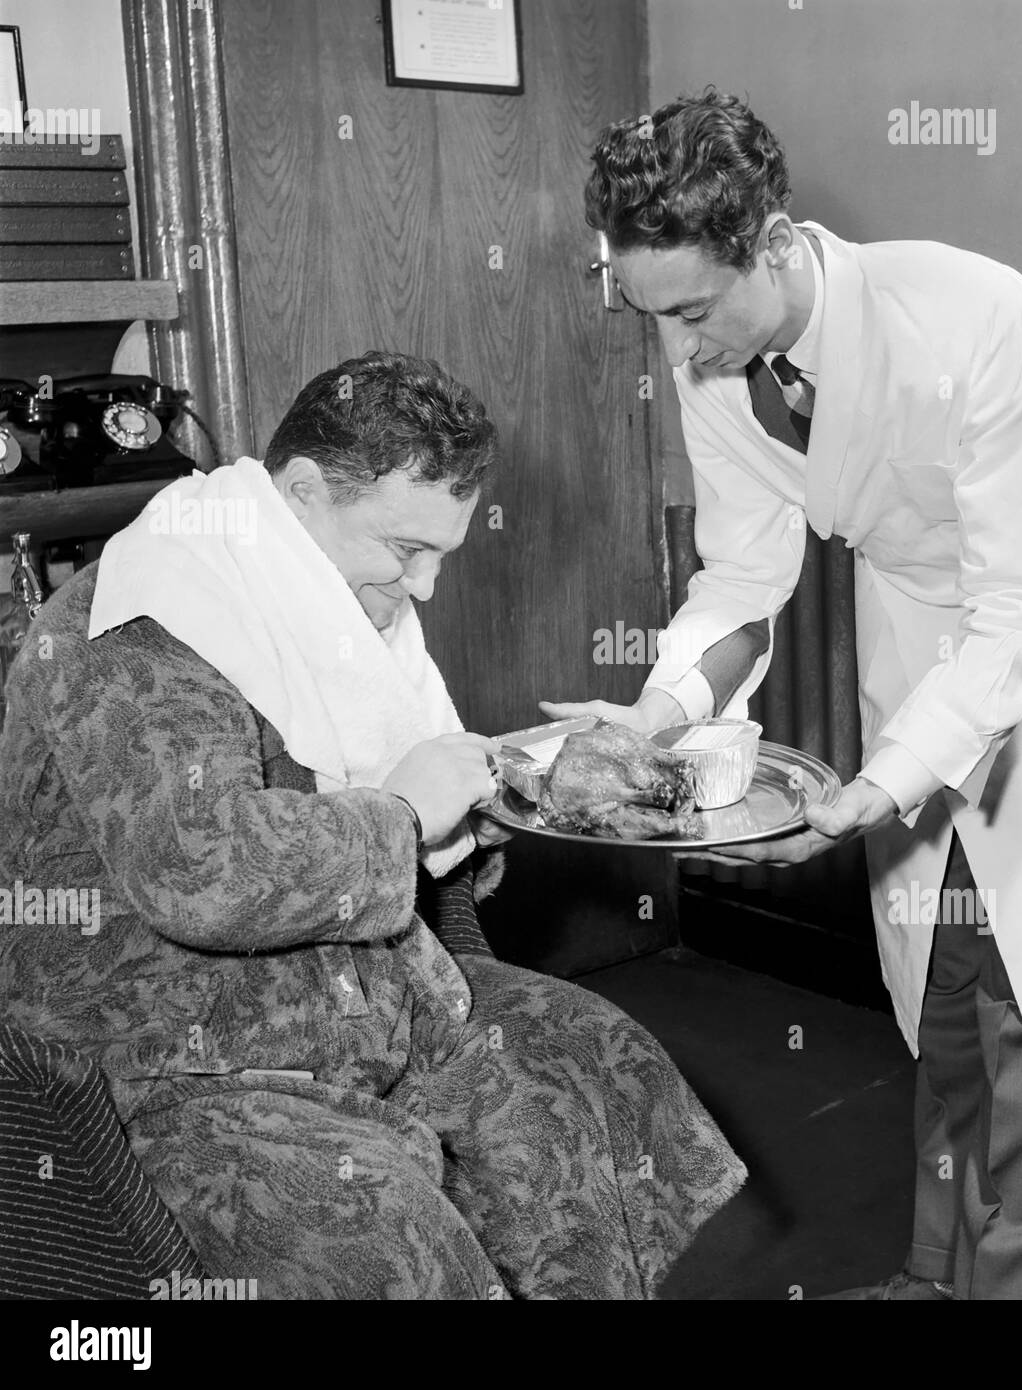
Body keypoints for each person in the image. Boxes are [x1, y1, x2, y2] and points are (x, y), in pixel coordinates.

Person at [545, 91, 1022, 1300]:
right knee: (948, 980)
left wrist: (875, 788)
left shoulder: (969, 309)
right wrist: (658, 715)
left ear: (773, 242)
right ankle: (933, 1276)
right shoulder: (708, 348)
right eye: (650, 310)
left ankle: (998, 1291)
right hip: (931, 631)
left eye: (695, 309)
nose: (679, 345)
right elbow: (745, 575)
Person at [0, 349, 745, 1300]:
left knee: (590, 1061)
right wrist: (402, 816)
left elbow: (386, 819)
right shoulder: (142, 625)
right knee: (385, 1233)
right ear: (304, 492)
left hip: (356, 996)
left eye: (442, 554)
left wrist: (476, 819)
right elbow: (201, 874)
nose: (425, 587)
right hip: (167, 1057)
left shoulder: (317, 593)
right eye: (405, 549)